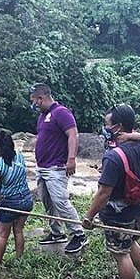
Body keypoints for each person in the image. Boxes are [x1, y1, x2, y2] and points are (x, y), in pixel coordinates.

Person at [82, 104, 140, 279]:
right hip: (136, 208)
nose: (105, 128)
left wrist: (89, 216)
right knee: (131, 242)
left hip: (117, 214)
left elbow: (103, 193)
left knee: (121, 255)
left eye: (107, 124)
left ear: (118, 127)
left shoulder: (114, 156)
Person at [29, 83, 87, 253]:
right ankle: (56, 233)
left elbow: (72, 134)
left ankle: (78, 234)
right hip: (42, 167)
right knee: (48, 201)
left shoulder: (61, 112)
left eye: (33, 101)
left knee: (61, 201)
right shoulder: (42, 116)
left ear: (41, 99)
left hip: (56, 167)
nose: (32, 105)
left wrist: (71, 159)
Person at [0, 129, 33, 266]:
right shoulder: (20, 156)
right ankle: (19, 260)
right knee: (18, 230)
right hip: (26, 201)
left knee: (3, 235)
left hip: (9, 204)